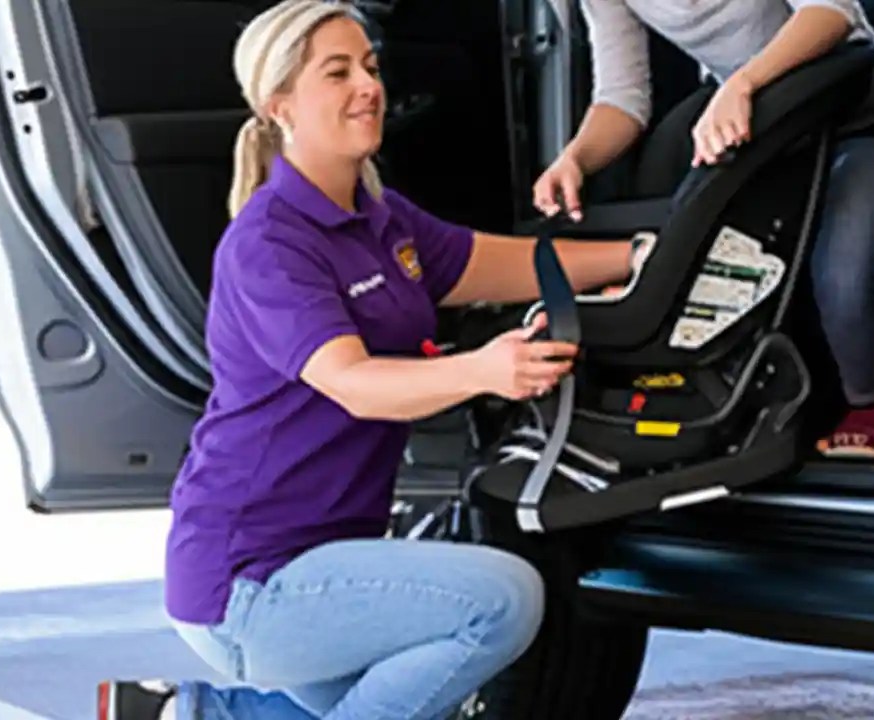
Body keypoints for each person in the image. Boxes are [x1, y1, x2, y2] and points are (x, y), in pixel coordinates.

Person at [101, 2, 648, 718]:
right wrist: (484, 368)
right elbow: (353, 383)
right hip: (251, 584)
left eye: (371, 66)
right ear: (281, 104)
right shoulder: (270, 240)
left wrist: (642, 255)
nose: (368, 86)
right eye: (338, 72)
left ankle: (183, 715)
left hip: (326, 562)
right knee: (503, 599)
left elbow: (501, 263)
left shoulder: (381, 218)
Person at [533, 0, 874, 460]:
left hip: (867, 119)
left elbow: (832, 11)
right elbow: (622, 97)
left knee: (842, 280)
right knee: (709, 263)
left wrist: (744, 81)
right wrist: (576, 159)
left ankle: (871, 405)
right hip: (770, 134)